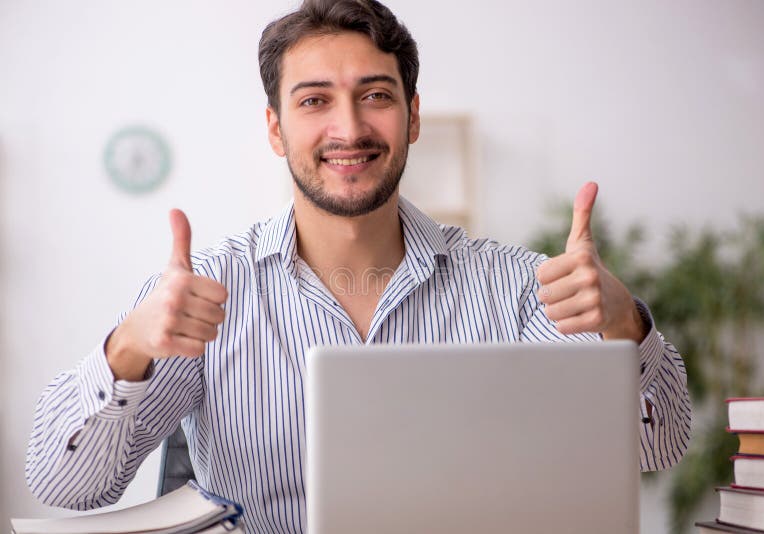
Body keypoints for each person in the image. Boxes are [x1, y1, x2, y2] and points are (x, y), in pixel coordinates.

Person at [25, 0, 691, 532]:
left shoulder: (519, 286)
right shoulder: (201, 294)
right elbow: (64, 486)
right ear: (276, 129)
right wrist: (128, 348)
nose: (349, 128)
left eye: (375, 95)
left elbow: (655, 451)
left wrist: (625, 327)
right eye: (315, 100)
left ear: (412, 117)